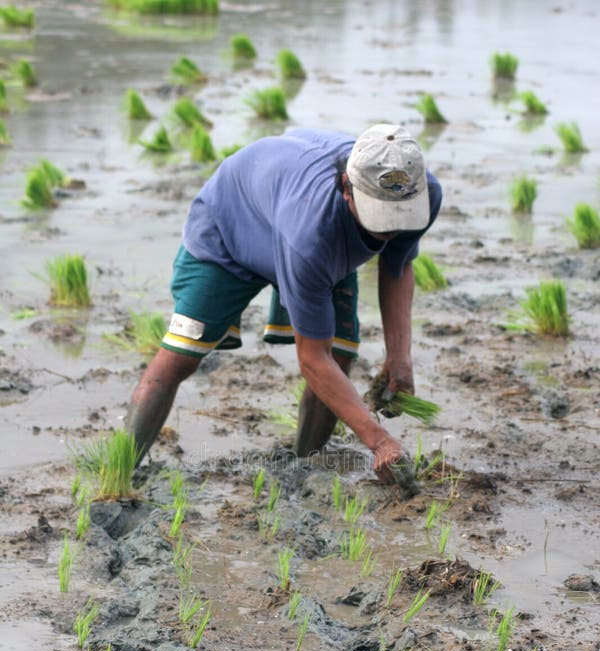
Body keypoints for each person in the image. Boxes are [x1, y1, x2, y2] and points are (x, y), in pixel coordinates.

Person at [126, 123, 442, 480]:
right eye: (379, 218)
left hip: (292, 209)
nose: (389, 230)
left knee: (341, 350)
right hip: (230, 224)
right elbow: (311, 359)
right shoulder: (311, 236)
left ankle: (304, 468)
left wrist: (399, 356)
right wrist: (379, 441)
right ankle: (118, 472)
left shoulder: (422, 194)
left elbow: (397, 265)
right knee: (181, 355)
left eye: (399, 217)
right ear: (346, 189)